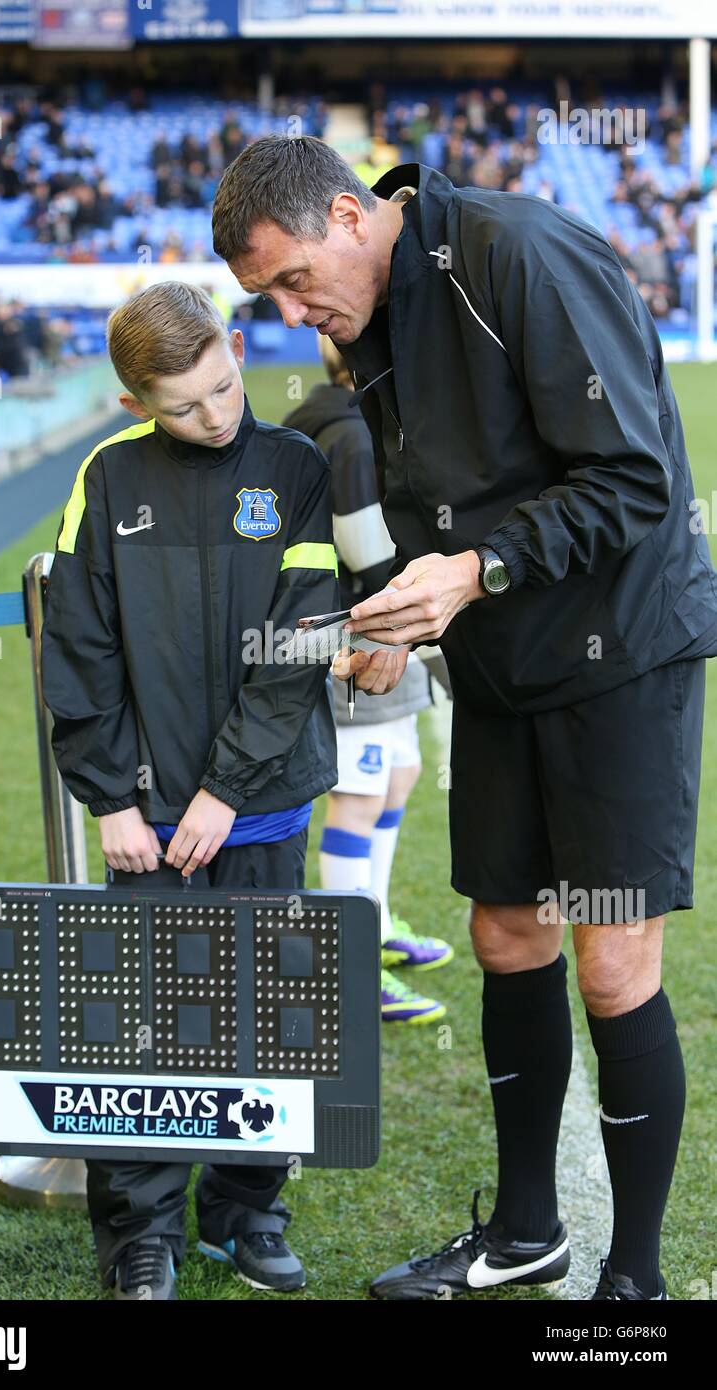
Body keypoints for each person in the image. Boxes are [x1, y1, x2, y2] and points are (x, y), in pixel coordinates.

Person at [211, 135, 717, 1302]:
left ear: (348, 215)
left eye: (291, 281)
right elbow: (423, 495)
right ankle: (526, 1229)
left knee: (610, 958)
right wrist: (383, 607)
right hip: (495, 656)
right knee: (504, 937)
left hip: (617, 652)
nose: (291, 314)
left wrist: (474, 571)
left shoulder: (516, 255)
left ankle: (632, 1283)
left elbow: (635, 477)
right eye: (266, 299)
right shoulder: (367, 315)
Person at [41, 280, 339, 1300]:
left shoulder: (296, 469)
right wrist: (114, 799)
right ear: (135, 406)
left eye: (223, 385)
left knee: (263, 1009)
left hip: (257, 806)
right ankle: (142, 1230)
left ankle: (247, 1208)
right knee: (151, 1019)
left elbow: (302, 644)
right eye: (184, 404)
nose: (215, 414)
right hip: (147, 819)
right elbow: (78, 651)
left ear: (237, 348)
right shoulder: (107, 479)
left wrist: (225, 788)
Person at [283, 331, 453, 1025]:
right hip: (357, 633)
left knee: (398, 772)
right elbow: (363, 547)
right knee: (358, 792)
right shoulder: (349, 431)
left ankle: (374, 926)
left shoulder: (344, 416)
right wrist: (418, 619)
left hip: (381, 625)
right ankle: (351, 968)